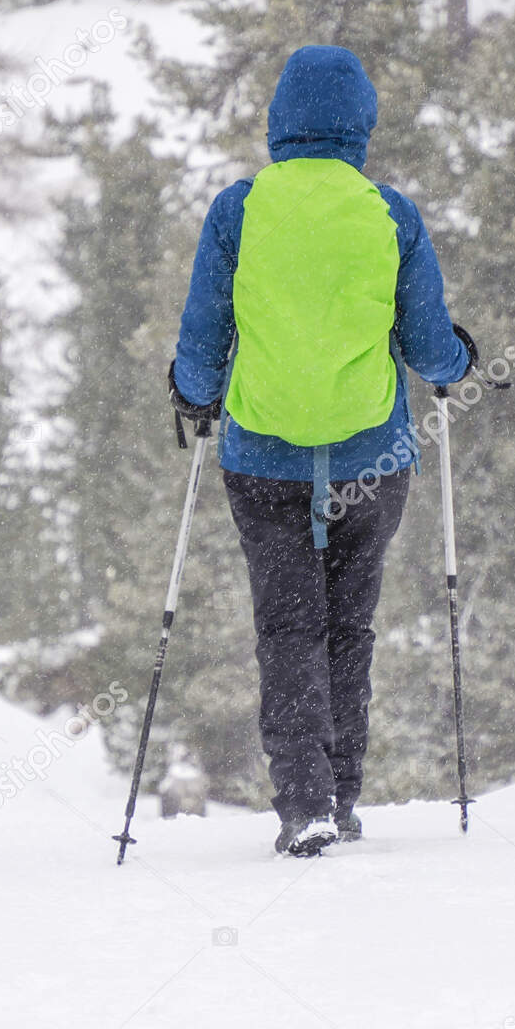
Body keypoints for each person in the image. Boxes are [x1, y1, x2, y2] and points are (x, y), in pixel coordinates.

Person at [169, 44, 474, 857]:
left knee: (287, 629)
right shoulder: (390, 213)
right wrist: (463, 363)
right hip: (371, 458)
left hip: (262, 456)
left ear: (279, 121)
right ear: (360, 124)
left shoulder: (238, 210)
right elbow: (427, 345)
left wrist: (194, 397)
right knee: (349, 627)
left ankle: (302, 803)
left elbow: (203, 336)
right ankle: (341, 798)